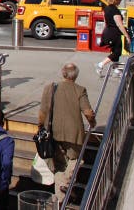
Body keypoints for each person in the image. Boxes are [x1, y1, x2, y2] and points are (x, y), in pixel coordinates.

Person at [39, 63, 96, 199]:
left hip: (53, 133)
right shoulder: (80, 90)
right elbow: (88, 112)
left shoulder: (50, 88)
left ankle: (59, 199)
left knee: (59, 165)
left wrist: (40, 126)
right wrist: (92, 122)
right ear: (75, 75)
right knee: (76, 159)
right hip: (73, 134)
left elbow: (42, 112)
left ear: (63, 73)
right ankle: (66, 182)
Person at [96, 0, 130, 76]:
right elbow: (119, 24)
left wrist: (103, 33)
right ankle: (101, 64)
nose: (120, 1)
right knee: (117, 52)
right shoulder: (115, 10)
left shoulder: (106, 9)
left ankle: (116, 70)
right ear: (115, 0)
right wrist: (127, 36)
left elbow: (105, 22)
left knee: (115, 51)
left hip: (108, 32)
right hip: (114, 33)